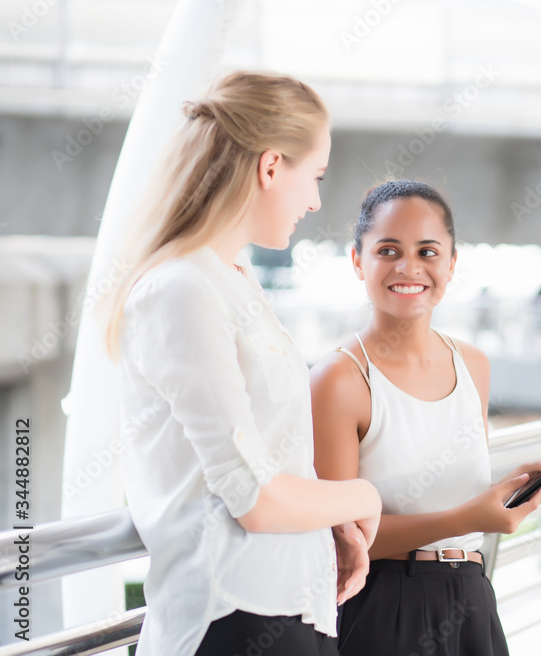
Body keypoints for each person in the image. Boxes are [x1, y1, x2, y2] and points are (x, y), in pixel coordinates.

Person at [101, 71, 382, 656]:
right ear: (271, 166)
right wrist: (362, 498)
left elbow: (267, 466)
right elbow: (252, 499)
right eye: (317, 176)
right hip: (232, 620)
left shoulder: (230, 281)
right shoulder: (182, 290)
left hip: (284, 611)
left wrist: (326, 523)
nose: (316, 200)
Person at [310, 179, 541, 656]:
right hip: (384, 607)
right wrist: (470, 516)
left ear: (452, 263)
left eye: (428, 251)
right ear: (357, 260)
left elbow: (451, 490)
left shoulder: (474, 365)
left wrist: (509, 493)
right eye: (388, 250)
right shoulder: (338, 379)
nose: (409, 268)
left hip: (471, 595)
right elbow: (336, 539)